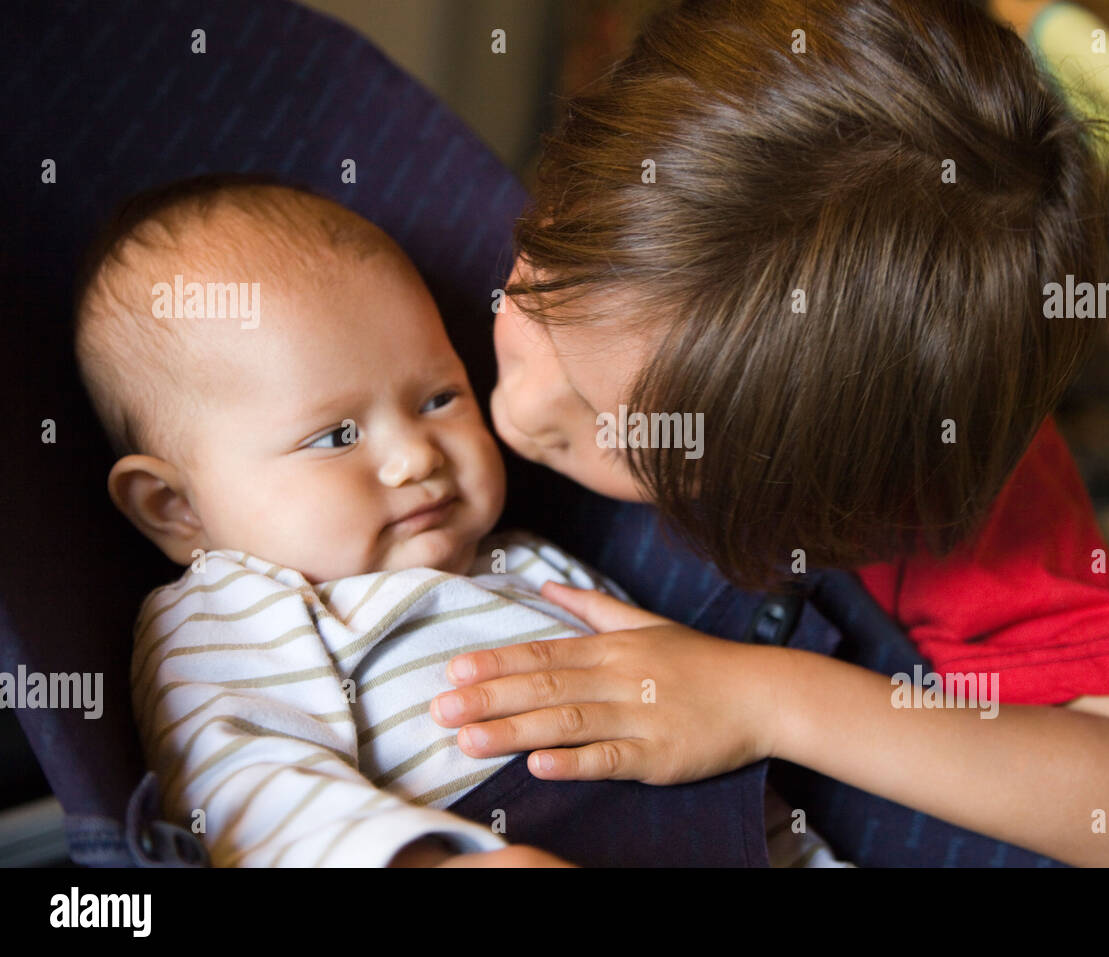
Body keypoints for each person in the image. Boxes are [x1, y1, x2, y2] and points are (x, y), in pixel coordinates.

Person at [465, 0, 1109, 866]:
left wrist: (766, 699)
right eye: (535, 294)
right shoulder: (626, 214)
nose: (522, 410)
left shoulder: (944, 497)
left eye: (615, 429)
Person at [73, 176, 846, 867]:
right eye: (337, 435)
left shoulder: (535, 566)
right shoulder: (236, 608)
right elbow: (246, 790)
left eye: (438, 397)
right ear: (175, 507)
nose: (416, 456)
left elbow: (700, 721)